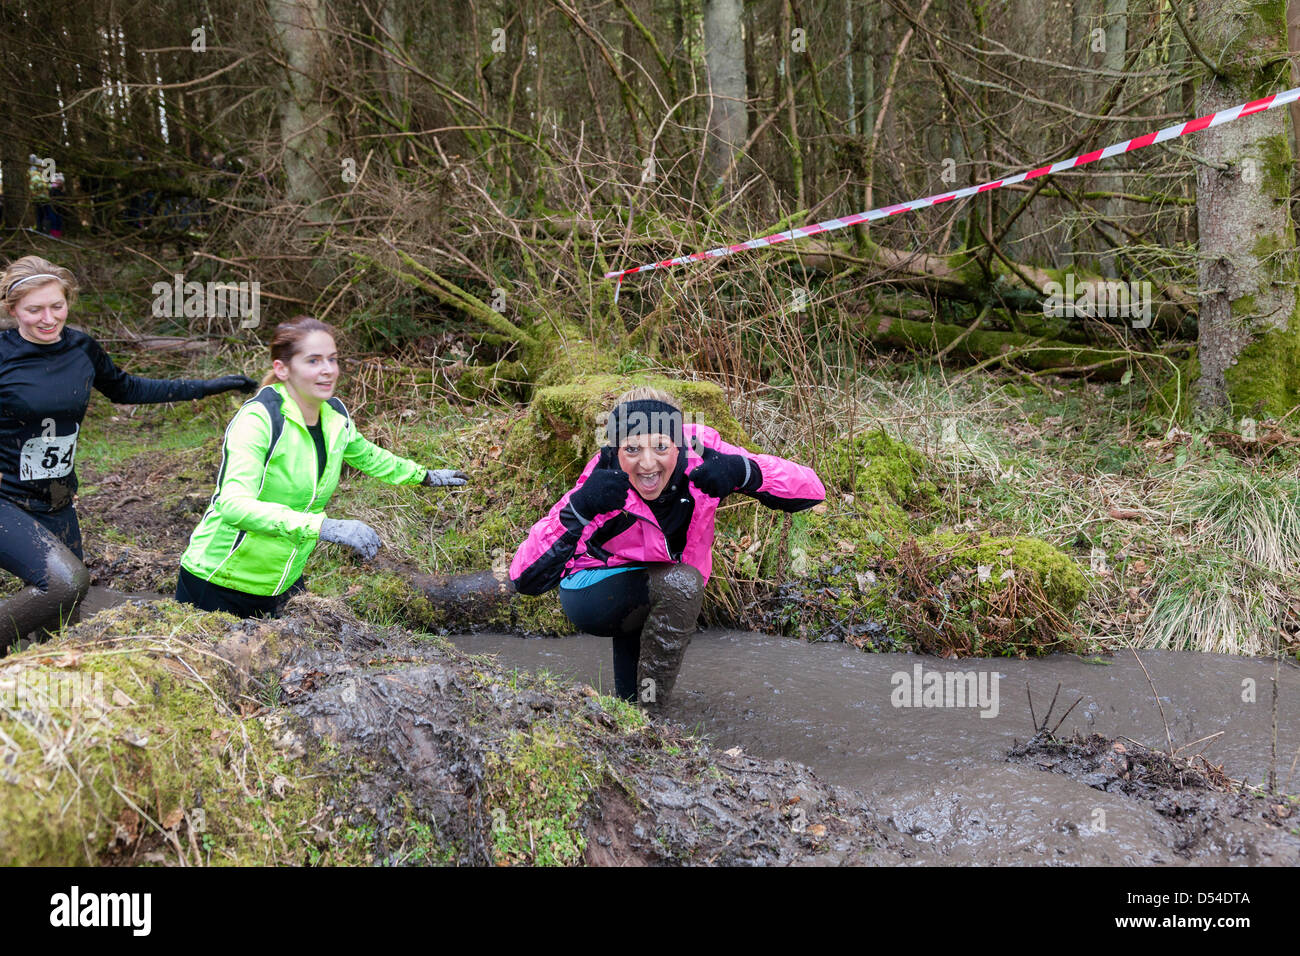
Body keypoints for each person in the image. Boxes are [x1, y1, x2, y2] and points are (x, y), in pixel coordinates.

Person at [510, 387, 825, 711]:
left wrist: (745, 472)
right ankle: (652, 723)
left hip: (655, 584)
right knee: (679, 585)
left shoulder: (705, 452)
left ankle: (633, 714)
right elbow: (524, 576)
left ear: (678, 443)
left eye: (660, 445)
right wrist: (580, 507)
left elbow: (813, 489)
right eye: (632, 448)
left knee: (636, 688)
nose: (647, 464)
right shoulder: (605, 474)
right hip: (593, 588)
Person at [0, 256, 258, 651]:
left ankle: (36, 677)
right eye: (34, 309)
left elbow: (128, 389)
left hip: (55, 499)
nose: (49, 318)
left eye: (58, 306)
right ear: (13, 308)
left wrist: (210, 386)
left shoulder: (81, 348)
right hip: (6, 501)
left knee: (63, 618)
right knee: (64, 583)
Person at [176, 316, 469, 618]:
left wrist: (424, 476)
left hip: (282, 582)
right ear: (282, 368)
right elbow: (234, 506)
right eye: (313, 361)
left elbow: (367, 455)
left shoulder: (334, 416)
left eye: (332, 359)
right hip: (217, 582)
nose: (328, 370)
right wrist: (323, 527)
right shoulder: (260, 420)